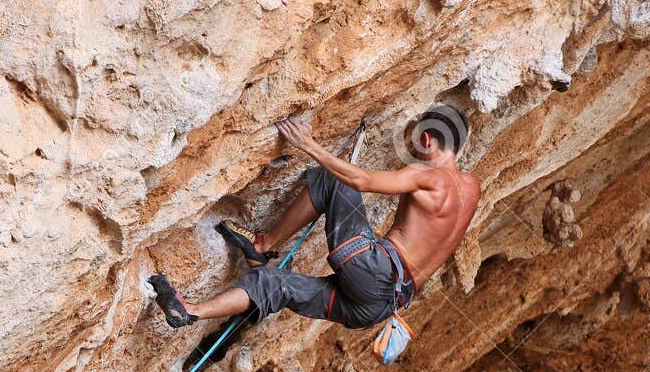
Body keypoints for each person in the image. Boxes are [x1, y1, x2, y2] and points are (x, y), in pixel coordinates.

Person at [149, 104, 479, 335]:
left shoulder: (430, 176)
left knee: (332, 179)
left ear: (427, 139)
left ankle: (263, 243)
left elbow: (362, 181)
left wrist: (309, 145)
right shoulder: (472, 189)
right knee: (271, 284)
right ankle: (190, 310)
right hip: (379, 306)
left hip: (373, 269)